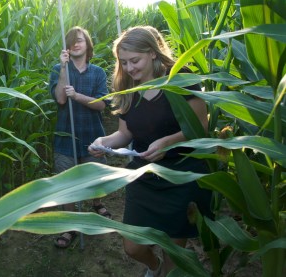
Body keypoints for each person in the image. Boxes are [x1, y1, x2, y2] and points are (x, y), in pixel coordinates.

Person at [88, 26, 213, 276]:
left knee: (173, 252)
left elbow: (200, 127)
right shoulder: (127, 88)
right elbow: (125, 134)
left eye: (135, 61)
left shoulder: (180, 78)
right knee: (132, 246)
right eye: (123, 63)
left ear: (153, 53)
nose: (130, 68)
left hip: (181, 176)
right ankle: (153, 267)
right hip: (144, 176)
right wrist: (103, 141)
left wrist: (168, 142)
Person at [49, 26, 112, 248]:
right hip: (66, 137)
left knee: (96, 178)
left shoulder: (98, 73)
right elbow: (60, 100)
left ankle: (97, 202)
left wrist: (77, 95)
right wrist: (64, 67)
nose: (76, 44)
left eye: (81, 40)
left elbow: (102, 104)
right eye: (72, 41)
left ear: (88, 45)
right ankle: (70, 226)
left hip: (93, 136)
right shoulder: (59, 69)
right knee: (66, 185)